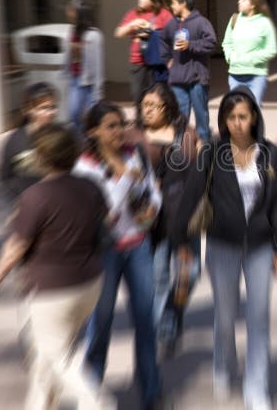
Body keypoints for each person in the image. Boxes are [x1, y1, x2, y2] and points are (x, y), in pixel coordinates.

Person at [172, 86, 277, 410]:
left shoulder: (270, 154)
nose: (238, 123)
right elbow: (191, 198)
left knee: (259, 317)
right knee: (225, 317)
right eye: (231, 117)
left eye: (243, 116)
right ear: (223, 120)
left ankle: (257, 386)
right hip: (222, 246)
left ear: (254, 117)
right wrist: (181, 241)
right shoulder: (211, 153)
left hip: (261, 247)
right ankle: (223, 365)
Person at [0, 123, 115, 410]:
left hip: (51, 292)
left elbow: (16, 248)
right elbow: (109, 222)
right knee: (46, 359)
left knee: (58, 358)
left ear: (42, 157)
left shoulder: (36, 196)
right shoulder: (89, 186)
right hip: (90, 284)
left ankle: (98, 403)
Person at [73, 102, 164, 410]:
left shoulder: (134, 153)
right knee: (101, 323)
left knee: (146, 323)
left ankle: (151, 394)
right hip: (106, 252)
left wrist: (153, 205)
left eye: (121, 124)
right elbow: (98, 215)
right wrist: (125, 178)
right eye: (111, 126)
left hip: (138, 245)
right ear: (93, 132)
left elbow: (152, 190)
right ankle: (91, 392)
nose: (119, 131)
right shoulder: (85, 168)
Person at [129, 83, 200, 357]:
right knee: (159, 279)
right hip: (154, 223)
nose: (146, 110)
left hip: (186, 219)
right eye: (144, 105)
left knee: (189, 276)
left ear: (167, 108)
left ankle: (172, 313)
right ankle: (163, 331)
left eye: (152, 106)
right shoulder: (134, 137)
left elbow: (200, 173)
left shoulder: (187, 135)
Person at [159, 0, 216, 143]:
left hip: (197, 78)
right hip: (177, 78)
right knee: (179, 115)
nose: (171, 6)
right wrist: (167, 60)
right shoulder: (171, 24)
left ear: (183, 4)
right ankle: (179, 145)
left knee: (200, 114)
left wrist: (190, 45)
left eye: (174, 3)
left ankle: (203, 144)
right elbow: (163, 41)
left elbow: (211, 43)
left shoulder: (201, 22)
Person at [0, 82, 59, 204]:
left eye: (53, 107)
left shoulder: (62, 136)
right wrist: (19, 200)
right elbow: (5, 178)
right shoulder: (15, 141)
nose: (51, 113)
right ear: (28, 110)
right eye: (44, 108)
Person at [115, 0, 173, 109]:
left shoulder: (164, 14)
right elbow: (118, 33)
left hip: (157, 62)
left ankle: (157, 122)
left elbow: (173, 33)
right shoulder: (133, 14)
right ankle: (140, 123)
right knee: (138, 96)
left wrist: (152, 29)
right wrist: (132, 24)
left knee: (159, 96)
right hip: (137, 62)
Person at [222, 0, 277, 106]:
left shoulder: (264, 23)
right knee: (237, 109)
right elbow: (227, 42)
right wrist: (230, 57)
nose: (239, 2)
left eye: (243, 0)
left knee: (253, 110)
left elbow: (271, 49)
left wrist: (251, 59)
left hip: (256, 76)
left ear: (253, 4)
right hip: (235, 75)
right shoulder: (235, 19)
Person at [67, 0, 105, 133]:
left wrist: (98, 91)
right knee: (74, 114)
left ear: (80, 14)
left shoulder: (94, 35)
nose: (69, 12)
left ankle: (91, 142)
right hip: (75, 78)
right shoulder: (72, 31)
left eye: (72, 10)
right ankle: (80, 140)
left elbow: (97, 65)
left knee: (90, 116)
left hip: (88, 81)